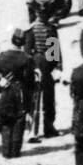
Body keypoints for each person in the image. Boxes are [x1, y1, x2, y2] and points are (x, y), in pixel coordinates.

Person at [0, 30, 35, 159]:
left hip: (5, 90)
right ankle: (15, 150)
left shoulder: (2, 56)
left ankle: (6, 149)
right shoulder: (27, 58)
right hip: (20, 90)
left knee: (6, 118)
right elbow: (29, 79)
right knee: (19, 119)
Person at [23, 8, 61, 139]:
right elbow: (27, 52)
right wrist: (32, 68)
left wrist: (57, 67)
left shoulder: (51, 28)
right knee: (33, 99)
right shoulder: (31, 29)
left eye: (45, 13)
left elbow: (55, 50)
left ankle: (49, 126)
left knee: (49, 98)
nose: (43, 16)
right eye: (41, 13)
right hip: (36, 66)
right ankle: (32, 128)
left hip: (48, 66)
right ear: (37, 13)